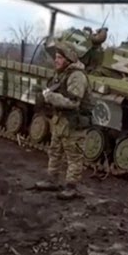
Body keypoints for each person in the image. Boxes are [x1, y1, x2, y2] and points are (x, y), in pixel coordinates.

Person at [31, 45, 90, 200]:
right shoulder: (63, 74)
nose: (55, 60)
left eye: (59, 57)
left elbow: (73, 102)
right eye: (56, 57)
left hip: (73, 123)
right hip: (61, 121)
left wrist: (50, 97)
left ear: (68, 59)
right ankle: (52, 180)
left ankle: (71, 187)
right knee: (54, 152)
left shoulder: (77, 76)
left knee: (74, 156)